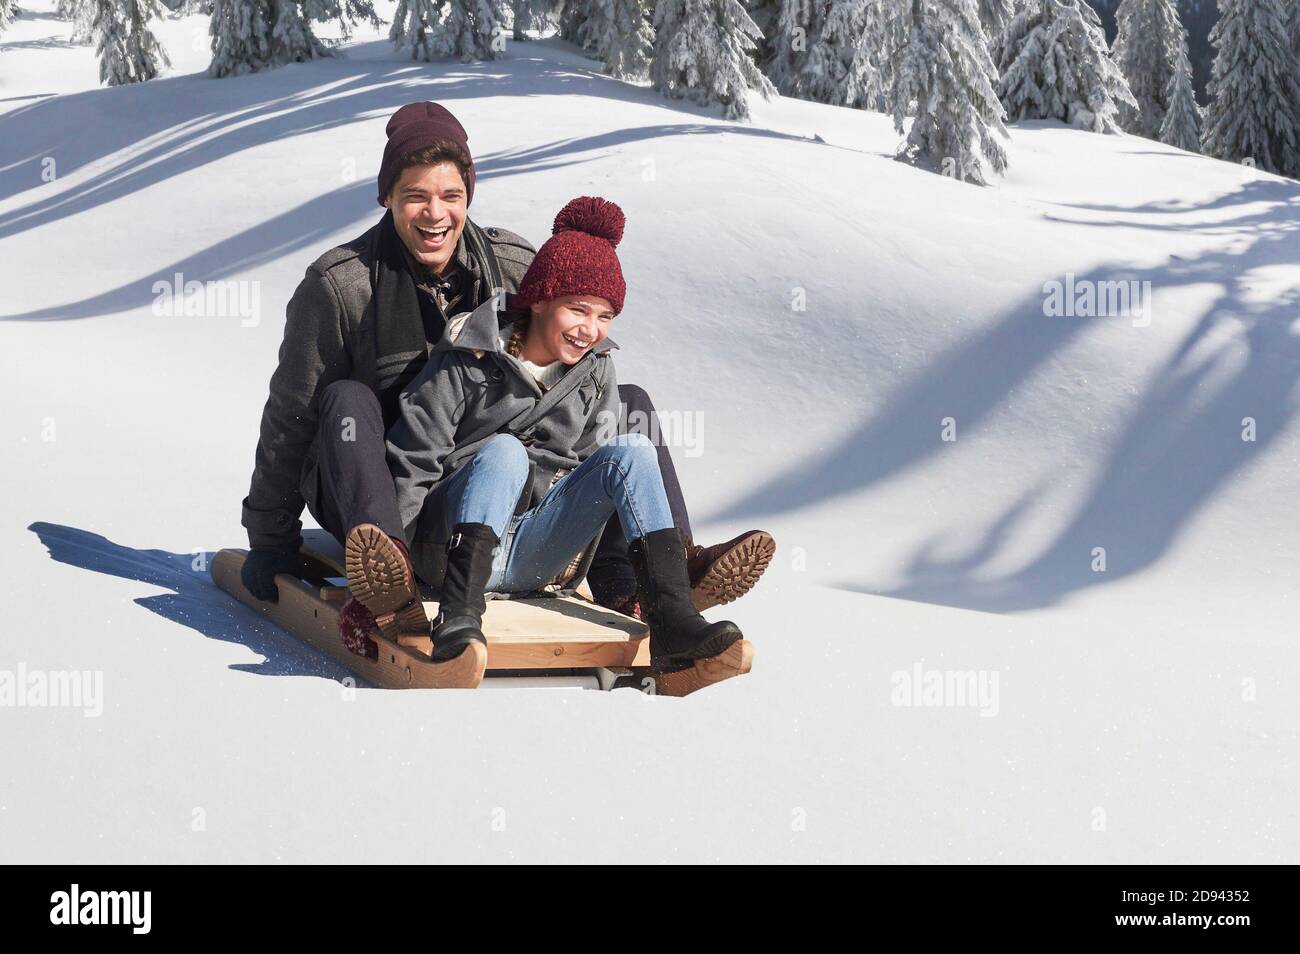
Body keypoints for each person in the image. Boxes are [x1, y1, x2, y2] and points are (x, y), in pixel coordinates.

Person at [237, 101, 774, 647]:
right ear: (387, 197)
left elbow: (572, 345)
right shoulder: (342, 286)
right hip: (373, 481)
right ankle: (388, 571)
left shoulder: (513, 263)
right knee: (349, 401)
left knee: (628, 402)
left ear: (469, 196)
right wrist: (270, 539)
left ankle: (661, 571)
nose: (435, 214)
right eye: (415, 196)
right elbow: (291, 416)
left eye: (451, 196)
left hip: (496, 486)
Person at [345, 197, 744, 671]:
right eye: (578, 310)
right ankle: (460, 617)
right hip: (450, 554)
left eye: (604, 317)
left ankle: (674, 619)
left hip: (536, 553)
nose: (590, 330)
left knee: (632, 448)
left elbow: (594, 477)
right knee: (505, 452)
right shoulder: (467, 357)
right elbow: (414, 464)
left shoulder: (596, 372)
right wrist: (395, 586)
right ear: (540, 299)